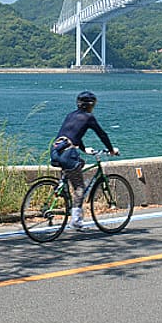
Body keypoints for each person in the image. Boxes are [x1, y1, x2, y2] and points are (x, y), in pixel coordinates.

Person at [50, 90, 119, 230]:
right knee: (79, 187)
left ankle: (62, 187)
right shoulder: (88, 117)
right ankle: (76, 221)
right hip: (68, 154)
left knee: (80, 163)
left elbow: (74, 134)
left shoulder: (71, 115)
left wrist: (83, 149)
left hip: (56, 150)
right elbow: (102, 134)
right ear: (91, 105)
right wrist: (111, 150)